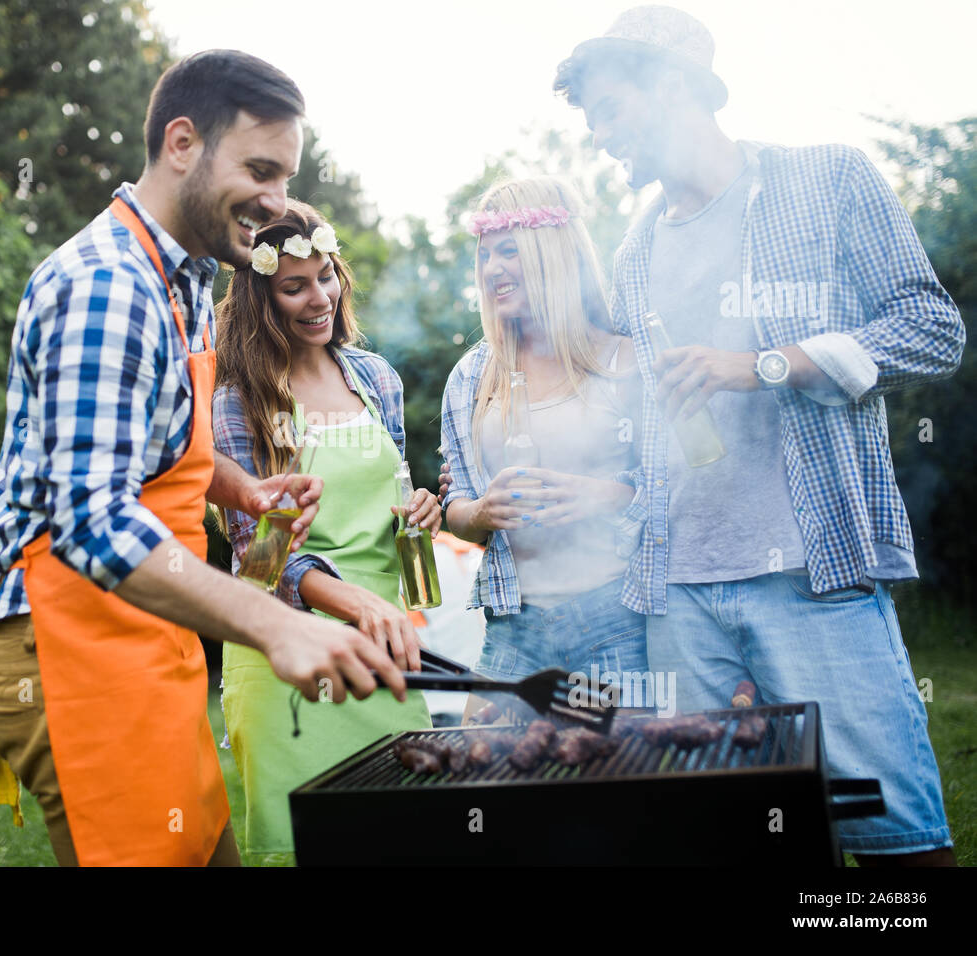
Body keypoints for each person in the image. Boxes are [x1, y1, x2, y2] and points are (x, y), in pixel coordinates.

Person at [553, 5, 962, 864]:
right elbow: (642, 413)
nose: (601, 137)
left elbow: (932, 328)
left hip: (811, 575)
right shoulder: (633, 250)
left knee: (895, 834)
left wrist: (768, 363)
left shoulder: (828, 180)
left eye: (612, 111)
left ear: (673, 87)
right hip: (682, 595)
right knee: (739, 842)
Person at [0, 50, 406, 868]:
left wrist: (242, 488)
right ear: (182, 142)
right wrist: (278, 623)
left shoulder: (181, 282)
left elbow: (154, 445)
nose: (276, 201)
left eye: (286, 178)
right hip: (77, 650)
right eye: (260, 169)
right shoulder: (109, 286)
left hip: (153, 639)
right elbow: (90, 521)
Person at [212, 199, 438, 865]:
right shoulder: (243, 399)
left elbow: (390, 492)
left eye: (327, 276)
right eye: (294, 286)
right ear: (261, 298)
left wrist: (418, 511)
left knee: (405, 836)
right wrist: (350, 603)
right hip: (286, 652)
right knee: (303, 848)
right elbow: (259, 554)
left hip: (385, 650)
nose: (320, 298)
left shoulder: (375, 379)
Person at [440, 176, 648, 714]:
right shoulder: (471, 376)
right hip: (512, 629)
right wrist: (482, 511)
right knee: (488, 786)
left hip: (613, 625)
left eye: (509, 251)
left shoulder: (624, 361)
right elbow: (455, 509)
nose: (492, 270)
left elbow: (679, 496)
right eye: (484, 256)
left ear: (553, 252)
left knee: (603, 785)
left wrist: (602, 496)